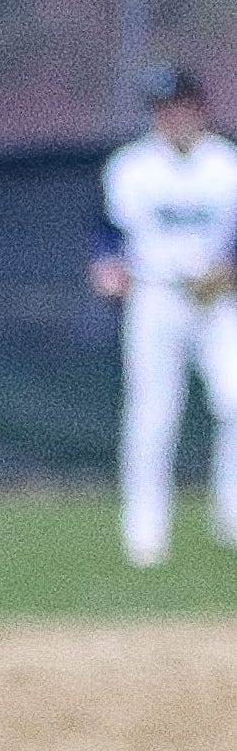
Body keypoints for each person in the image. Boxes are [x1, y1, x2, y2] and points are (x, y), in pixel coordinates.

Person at [93, 63, 237, 569]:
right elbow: (110, 234)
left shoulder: (225, 164)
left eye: (180, 104)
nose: (172, 114)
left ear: (199, 107)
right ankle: (145, 532)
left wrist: (227, 270)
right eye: (163, 106)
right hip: (156, 297)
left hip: (218, 299)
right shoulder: (131, 167)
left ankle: (233, 515)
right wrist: (106, 266)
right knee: (153, 415)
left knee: (235, 400)